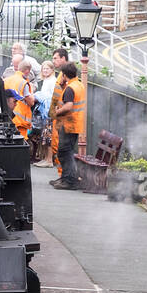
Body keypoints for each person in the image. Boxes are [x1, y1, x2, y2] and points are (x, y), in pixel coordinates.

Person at [50, 61, 84, 189]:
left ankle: (70, 181)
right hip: (75, 123)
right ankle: (65, 178)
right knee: (66, 151)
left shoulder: (70, 88)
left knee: (64, 152)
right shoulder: (79, 85)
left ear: (64, 75)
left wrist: (57, 112)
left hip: (69, 124)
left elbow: (69, 106)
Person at [48, 47, 70, 174]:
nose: (53, 61)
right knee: (56, 146)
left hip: (62, 118)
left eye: (56, 58)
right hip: (57, 116)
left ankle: (64, 175)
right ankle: (61, 174)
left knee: (61, 148)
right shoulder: (61, 75)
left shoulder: (66, 76)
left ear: (63, 58)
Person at [4, 59, 35, 140]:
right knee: (20, 144)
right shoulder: (24, 83)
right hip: (20, 121)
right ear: (27, 70)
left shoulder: (6, 80)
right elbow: (31, 102)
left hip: (7, 117)